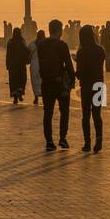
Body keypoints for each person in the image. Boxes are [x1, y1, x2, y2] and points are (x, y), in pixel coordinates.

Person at [38, 19, 75, 151]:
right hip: (60, 84)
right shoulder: (62, 45)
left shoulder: (41, 45)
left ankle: (49, 141)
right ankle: (63, 138)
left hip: (46, 83)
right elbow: (68, 64)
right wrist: (72, 79)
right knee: (64, 111)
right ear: (59, 31)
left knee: (47, 113)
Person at [74, 24, 106, 153]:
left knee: (85, 115)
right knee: (97, 114)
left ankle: (87, 143)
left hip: (86, 86)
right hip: (99, 85)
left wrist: (76, 62)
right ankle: (99, 139)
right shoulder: (100, 50)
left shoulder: (81, 52)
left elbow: (80, 73)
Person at [6, 27, 30, 103]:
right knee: (21, 80)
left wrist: (7, 64)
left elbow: (8, 54)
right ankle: (20, 93)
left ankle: (15, 98)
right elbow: (26, 51)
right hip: (21, 65)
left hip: (12, 65)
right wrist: (27, 60)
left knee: (13, 81)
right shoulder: (22, 41)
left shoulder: (10, 42)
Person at [29, 29, 45, 105]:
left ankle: (36, 97)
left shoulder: (32, 44)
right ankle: (44, 96)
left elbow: (28, 53)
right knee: (43, 81)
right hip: (43, 64)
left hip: (34, 64)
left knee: (35, 81)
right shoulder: (46, 44)